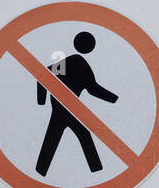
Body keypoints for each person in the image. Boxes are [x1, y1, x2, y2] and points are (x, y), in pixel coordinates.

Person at [35, 31, 118, 176]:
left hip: (69, 109)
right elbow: (43, 75)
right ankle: (97, 170)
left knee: (58, 136)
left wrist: (114, 99)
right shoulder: (75, 61)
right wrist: (41, 102)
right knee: (80, 135)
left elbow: (92, 89)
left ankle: (40, 171)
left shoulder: (78, 63)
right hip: (65, 109)